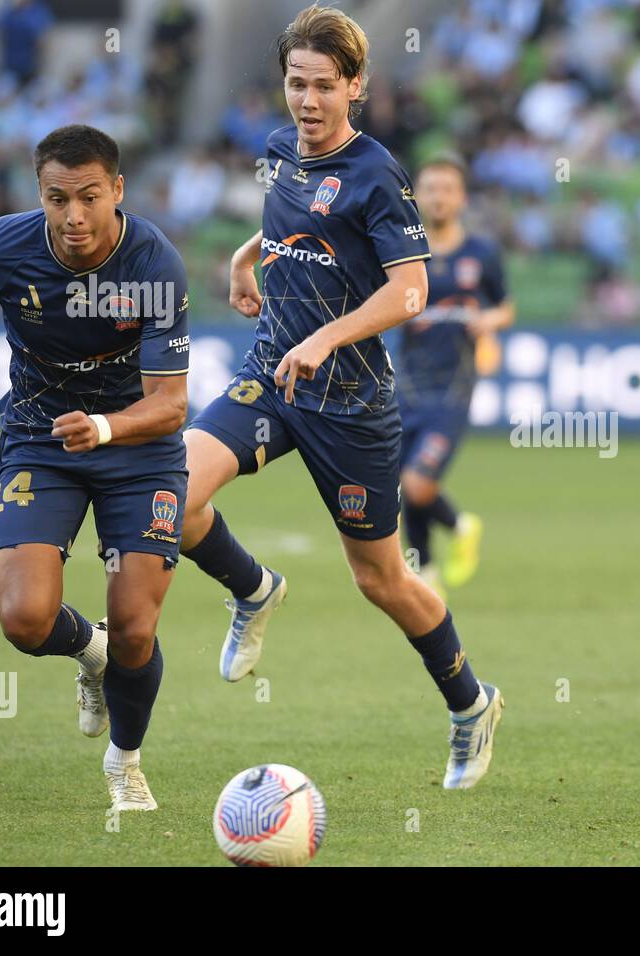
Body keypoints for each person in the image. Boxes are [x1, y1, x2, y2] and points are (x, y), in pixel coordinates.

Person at [178, 6, 504, 790]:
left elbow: (412, 290)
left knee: (381, 581)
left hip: (350, 404)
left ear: (356, 85)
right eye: (297, 83)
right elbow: (293, 221)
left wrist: (327, 337)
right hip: (272, 375)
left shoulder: (379, 174)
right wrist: (245, 257)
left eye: (325, 85)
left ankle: (470, 705)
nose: (308, 101)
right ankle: (253, 589)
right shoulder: (280, 148)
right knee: (171, 492)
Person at [0, 125, 191, 811]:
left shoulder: (153, 264)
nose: (73, 216)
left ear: (117, 191)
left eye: (89, 197)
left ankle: (125, 762)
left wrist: (105, 426)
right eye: (57, 198)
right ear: (38, 194)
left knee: (136, 628)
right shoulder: (1, 245)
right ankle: (87, 652)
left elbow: (172, 405)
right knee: (24, 619)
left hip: (137, 449)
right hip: (41, 440)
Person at [396, 154, 514, 595]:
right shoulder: (402, 250)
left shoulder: (481, 253)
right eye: (430, 188)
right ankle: (426, 573)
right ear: (416, 196)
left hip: (454, 388)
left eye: (447, 189)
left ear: (461, 197)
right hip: (407, 384)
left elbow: (505, 306)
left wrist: (490, 322)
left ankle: (461, 527)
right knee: (404, 481)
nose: (438, 197)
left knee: (417, 480)